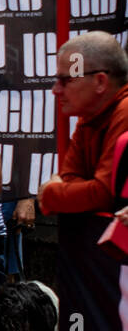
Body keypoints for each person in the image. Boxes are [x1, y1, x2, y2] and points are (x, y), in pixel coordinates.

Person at [37, 32, 128, 216]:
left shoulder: (125, 111)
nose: (55, 90)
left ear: (100, 81)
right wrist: (77, 194)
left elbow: (103, 195)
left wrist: (50, 193)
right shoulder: (88, 117)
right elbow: (70, 178)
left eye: (67, 80)